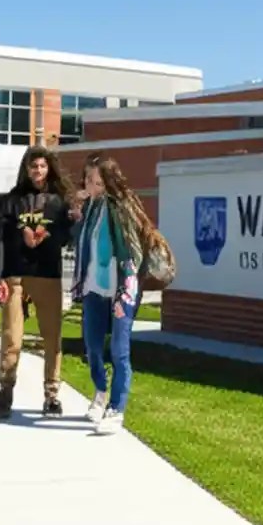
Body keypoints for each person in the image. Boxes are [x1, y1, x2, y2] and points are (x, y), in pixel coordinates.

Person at [0, 146, 74, 419]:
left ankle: (52, 394)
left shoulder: (59, 202)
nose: (38, 171)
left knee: (52, 337)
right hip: (16, 275)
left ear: (49, 169)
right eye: (34, 166)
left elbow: (66, 237)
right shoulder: (12, 200)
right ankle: (5, 392)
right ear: (26, 169)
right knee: (12, 337)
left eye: (43, 166)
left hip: (47, 273)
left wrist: (49, 232)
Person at [68, 153, 154, 434]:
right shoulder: (91, 208)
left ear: (109, 181)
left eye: (97, 182)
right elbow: (79, 242)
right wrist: (77, 214)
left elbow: (132, 253)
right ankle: (100, 393)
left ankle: (116, 409)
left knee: (119, 350)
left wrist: (123, 292)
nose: (91, 186)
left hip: (122, 288)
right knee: (92, 347)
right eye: (88, 180)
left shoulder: (121, 207)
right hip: (94, 286)